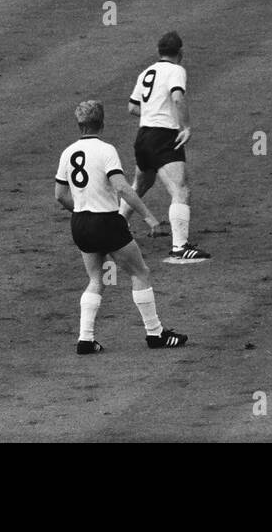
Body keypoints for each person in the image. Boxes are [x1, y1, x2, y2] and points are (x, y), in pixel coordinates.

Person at [54, 100, 188, 354]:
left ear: (79, 124)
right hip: (106, 221)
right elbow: (123, 187)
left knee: (96, 278)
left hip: (80, 224)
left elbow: (60, 195)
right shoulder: (106, 151)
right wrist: (149, 217)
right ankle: (155, 333)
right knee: (140, 273)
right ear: (102, 123)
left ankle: (85, 339)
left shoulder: (67, 152)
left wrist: (82, 209)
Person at [117, 32, 213, 265]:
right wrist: (186, 126)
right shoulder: (176, 70)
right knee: (181, 190)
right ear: (180, 53)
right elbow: (178, 98)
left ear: (159, 51)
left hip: (143, 136)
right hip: (162, 137)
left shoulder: (146, 72)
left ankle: (115, 230)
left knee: (141, 184)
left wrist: (152, 113)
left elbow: (132, 107)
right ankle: (180, 247)